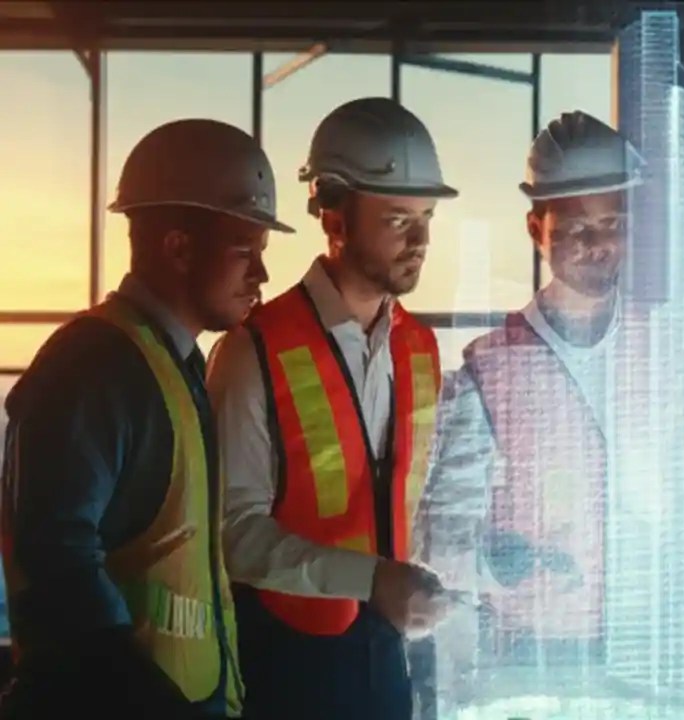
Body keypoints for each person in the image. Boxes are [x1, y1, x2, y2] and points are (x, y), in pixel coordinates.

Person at [0, 119, 293, 718]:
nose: (261, 276)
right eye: (246, 252)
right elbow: (56, 559)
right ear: (178, 247)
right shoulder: (94, 365)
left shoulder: (171, 364)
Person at [206, 97, 459, 720]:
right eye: (400, 219)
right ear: (335, 217)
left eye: (427, 217)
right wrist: (371, 580)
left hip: (391, 657)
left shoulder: (421, 350)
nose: (422, 240)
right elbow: (234, 535)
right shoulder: (253, 349)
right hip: (286, 664)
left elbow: (408, 503)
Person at [416, 110, 643, 710]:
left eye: (613, 223)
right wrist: (499, 565)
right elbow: (441, 545)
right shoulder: (487, 372)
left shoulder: (664, 352)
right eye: (575, 228)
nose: (597, 244)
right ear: (535, 228)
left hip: (643, 656)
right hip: (527, 664)